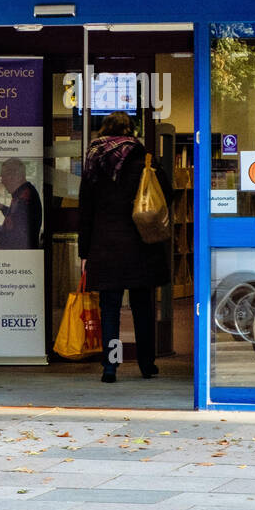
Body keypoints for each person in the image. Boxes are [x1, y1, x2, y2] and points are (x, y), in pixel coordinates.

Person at [78, 111, 170, 383]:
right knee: (143, 307)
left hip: (106, 246)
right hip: (141, 244)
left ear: (104, 130)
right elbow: (167, 194)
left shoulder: (94, 160)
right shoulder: (144, 159)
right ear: (131, 131)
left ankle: (110, 366)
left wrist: (85, 252)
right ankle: (146, 364)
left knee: (110, 309)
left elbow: (85, 210)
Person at [0, 158, 42, 250]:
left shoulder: (26, 196)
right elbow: (15, 217)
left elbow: (18, 234)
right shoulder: (21, 193)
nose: (2, 181)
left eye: (3, 176)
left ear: (16, 176)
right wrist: (1, 207)